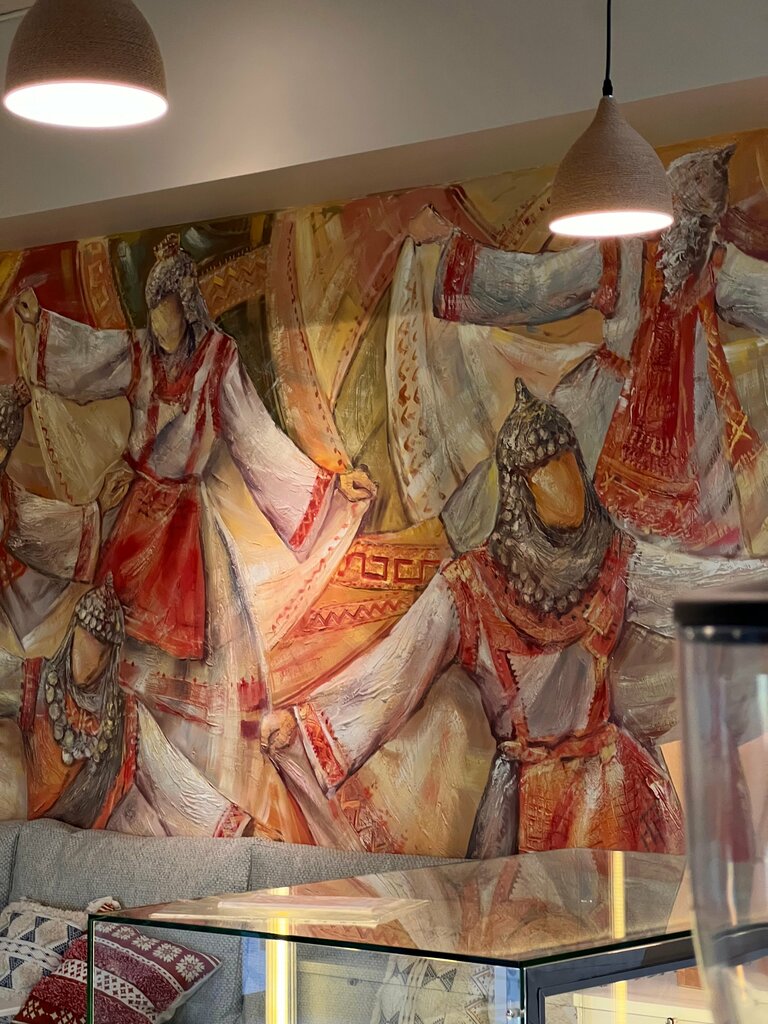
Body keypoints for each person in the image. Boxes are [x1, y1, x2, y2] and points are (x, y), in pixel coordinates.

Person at [263, 380, 768, 857]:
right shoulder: (470, 586)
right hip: (521, 805)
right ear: (519, 487)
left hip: (614, 796)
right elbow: (393, 675)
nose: (566, 483)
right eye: (545, 469)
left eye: (568, 462)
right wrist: (303, 727)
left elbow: (701, 585)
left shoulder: (614, 559)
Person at [403, 145, 768, 557]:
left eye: (700, 219)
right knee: (538, 482)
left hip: (692, 429)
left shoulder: (718, 266)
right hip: (606, 406)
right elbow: (538, 284)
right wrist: (449, 248)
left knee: (692, 555)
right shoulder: (620, 254)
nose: (687, 228)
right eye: (682, 211)